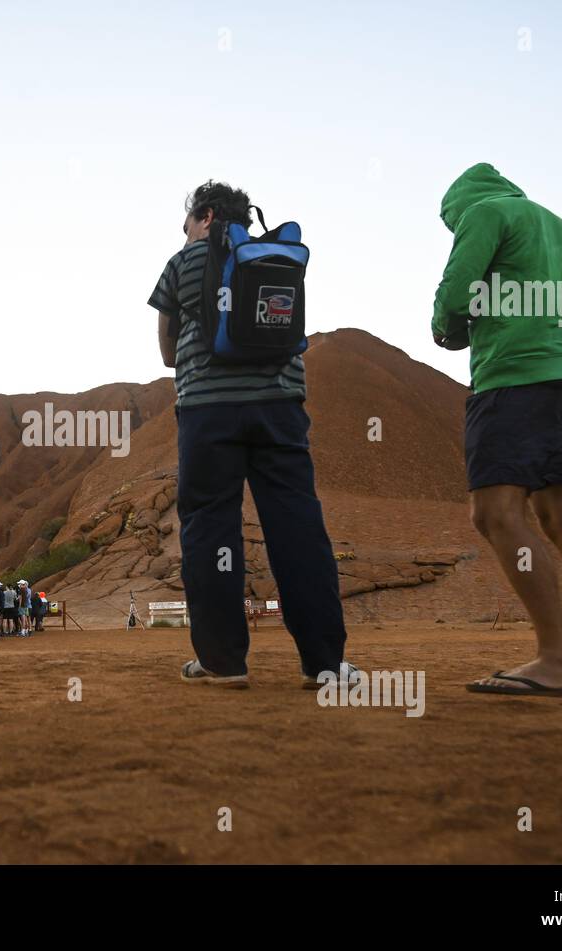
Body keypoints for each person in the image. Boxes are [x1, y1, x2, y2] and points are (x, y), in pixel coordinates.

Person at [431, 163, 562, 696]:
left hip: (513, 382)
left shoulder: (483, 213)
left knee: (495, 512)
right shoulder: (557, 226)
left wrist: (447, 329)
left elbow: (456, 294)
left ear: (456, 208)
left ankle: (557, 659)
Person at [149, 180, 350, 689]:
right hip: (279, 409)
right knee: (298, 527)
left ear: (207, 216)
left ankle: (222, 661)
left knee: (210, 530)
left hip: (208, 412)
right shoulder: (275, 256)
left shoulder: (183, 261)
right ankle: (326, 664)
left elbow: (167, 353)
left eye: (190, 222)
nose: (188, 232)